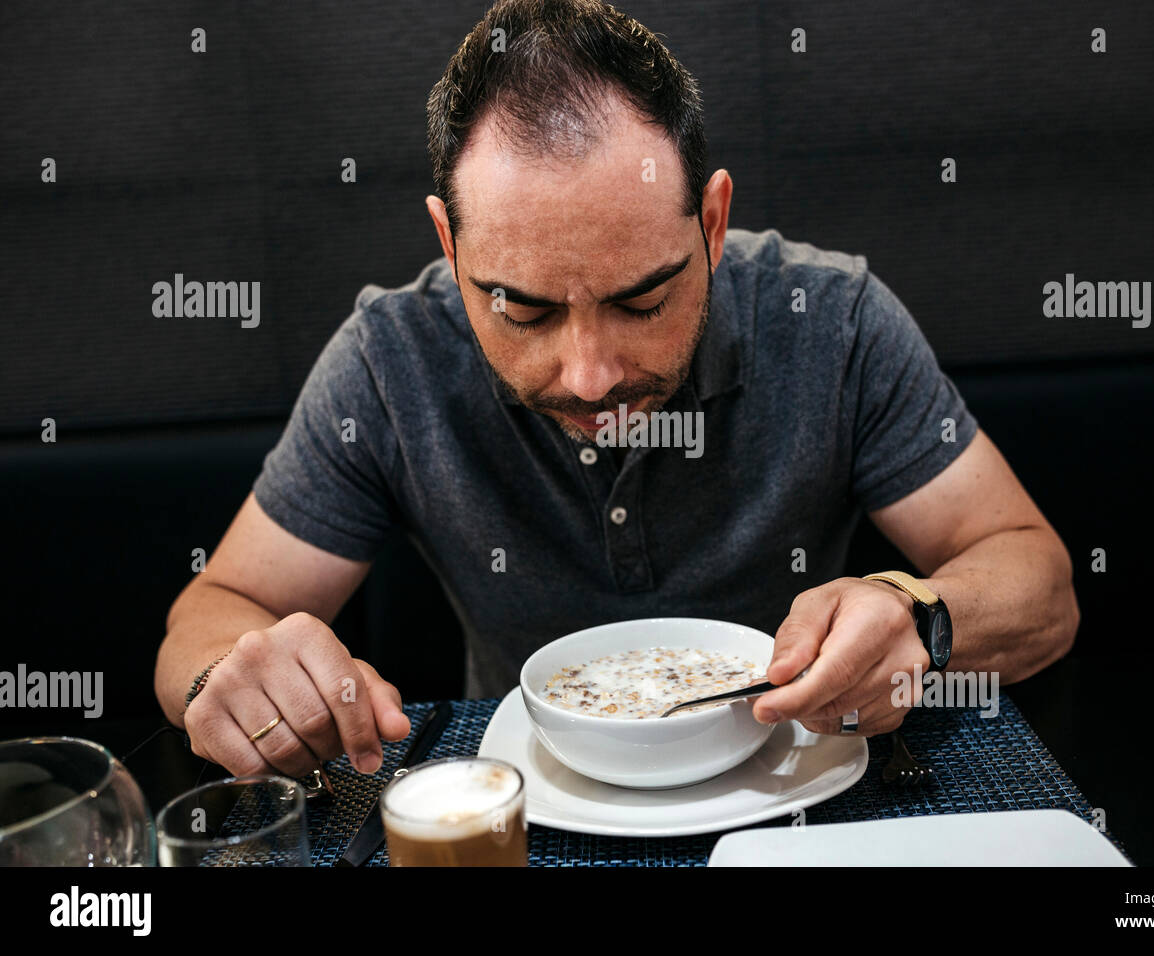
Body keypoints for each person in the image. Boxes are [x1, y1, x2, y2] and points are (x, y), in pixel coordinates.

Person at [155, 0, 1078, 779]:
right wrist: (227, 681)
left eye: (643, 300)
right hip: (520, 800)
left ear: (712, 223)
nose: (590, 375)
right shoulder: (390, 359)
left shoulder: (829, 321)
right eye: (521, 309)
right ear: (450, 246)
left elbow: (1037, 582)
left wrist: (922, 615)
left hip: (803, 785)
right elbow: (215, 608)